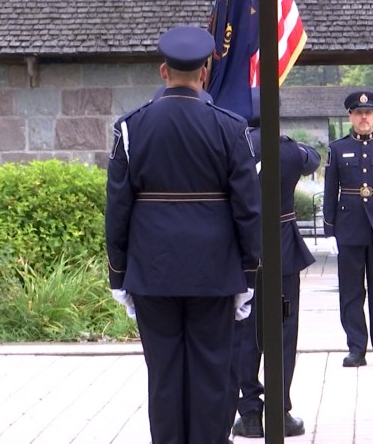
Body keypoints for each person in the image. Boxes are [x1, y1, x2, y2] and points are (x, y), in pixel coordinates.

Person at [105, 25, 261, 444]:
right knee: (212, 377)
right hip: (214, 273)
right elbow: (248, 208)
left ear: (162, 70)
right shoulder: (231, 128)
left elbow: (117, 209)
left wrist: (118, 275)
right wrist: (248, 272)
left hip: (153, 273)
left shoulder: (130, 128)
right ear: (205, 73)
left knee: (164, 377)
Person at [230, 88, 320, 439]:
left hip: (244, 253)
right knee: (283, 333)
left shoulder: (233, 149)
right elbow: (312, 158)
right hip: (282, 250)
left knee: (246, 334)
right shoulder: (288, 150)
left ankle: (250, 413)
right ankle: (279, 411)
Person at [323, 91, 373, 368]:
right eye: (358, 113)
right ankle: (356, 347)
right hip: (350, 226)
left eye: (368, 113)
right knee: (352, 292)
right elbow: (330, 191)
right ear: (350, 116)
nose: (364, 117)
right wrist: (329, 230)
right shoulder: (337, 148)